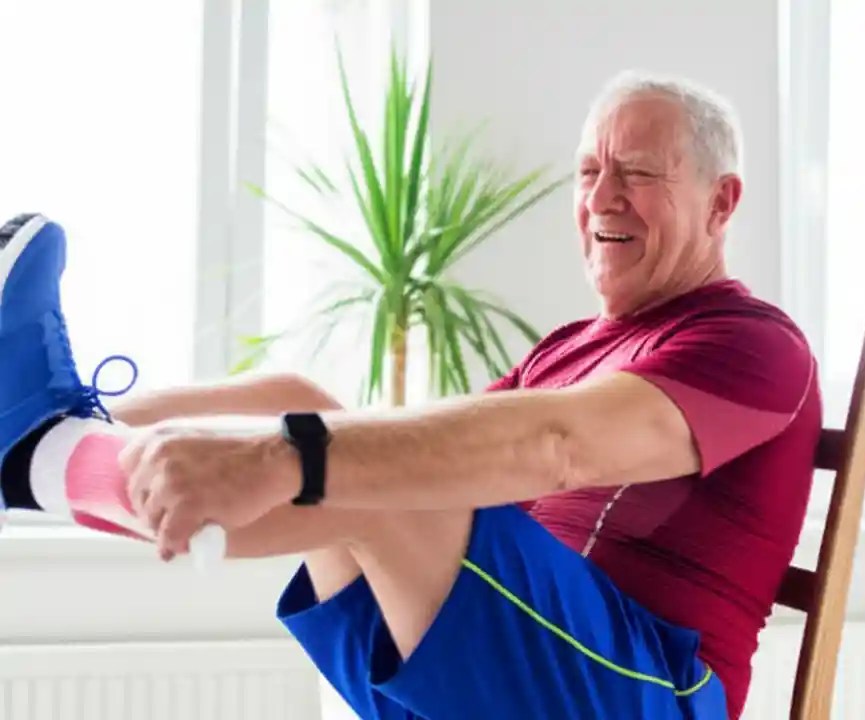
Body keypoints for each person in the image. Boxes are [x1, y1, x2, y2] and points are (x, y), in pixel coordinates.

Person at [0, 71, 821, 720]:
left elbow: (556, 444)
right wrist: (290, 439)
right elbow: (422, 440)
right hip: (494, 671)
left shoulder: (752, 343)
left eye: (638, 172)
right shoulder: (571, 346)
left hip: (642, 694)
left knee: (378, 479)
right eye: (587, 171)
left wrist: (289, 457)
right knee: (299, 401)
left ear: (721, 202)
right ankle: (50, 435)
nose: (602, 197)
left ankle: (41, 457)